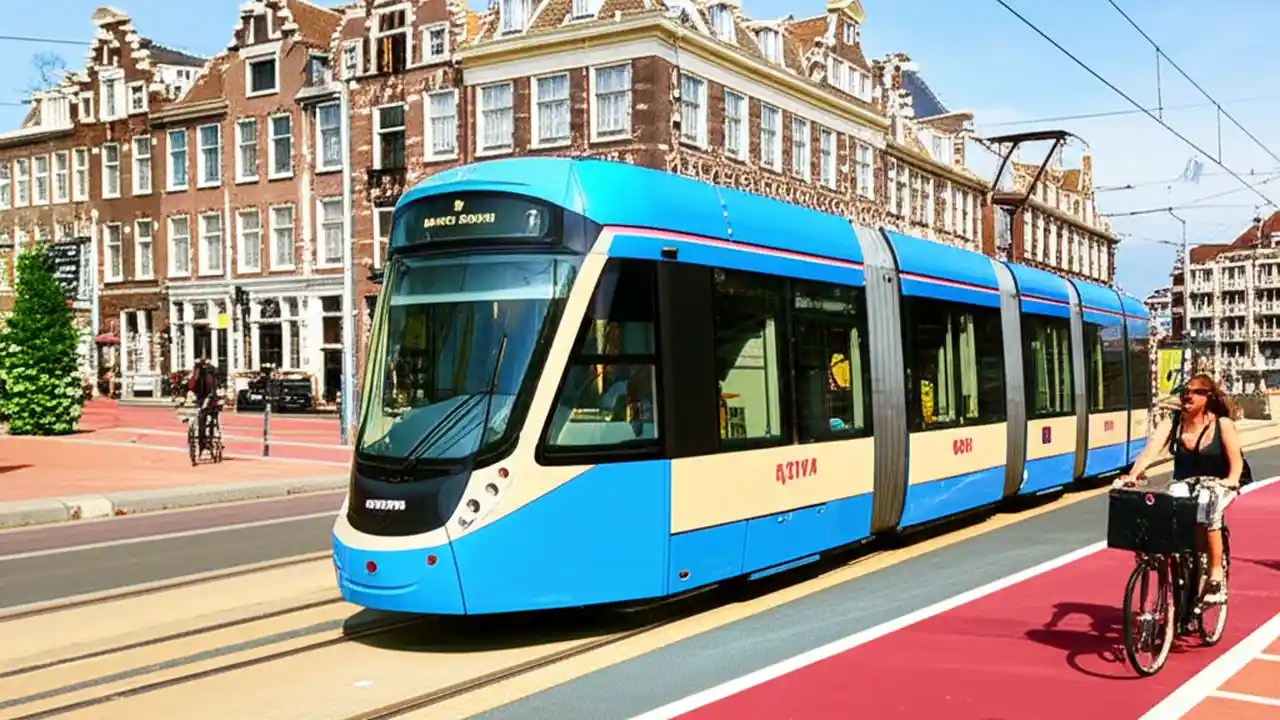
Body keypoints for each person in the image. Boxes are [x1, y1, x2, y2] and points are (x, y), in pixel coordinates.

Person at [1119, 373, 1242, 605]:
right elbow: (1150, 451)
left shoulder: (1222, 424)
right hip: (1185, 482)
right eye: (1186, 391)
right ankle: (1179, 561)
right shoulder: (1172, 422)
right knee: (1166, 505)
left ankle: (1215, 574)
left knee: (1208, 505)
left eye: (1197, 392)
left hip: (1219, 482)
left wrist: (1231, 480)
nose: (1188, 395)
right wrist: (1133, 474)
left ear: (1208, 397)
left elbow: (1236, 462)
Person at [191, 358, 219, 452]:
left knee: (206, 419)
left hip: (207, 399)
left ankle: (206, 440)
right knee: (205, 419)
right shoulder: (201, 374)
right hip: (203, 399)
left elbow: (212, 390)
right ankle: (204, 441)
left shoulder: (204, 374)